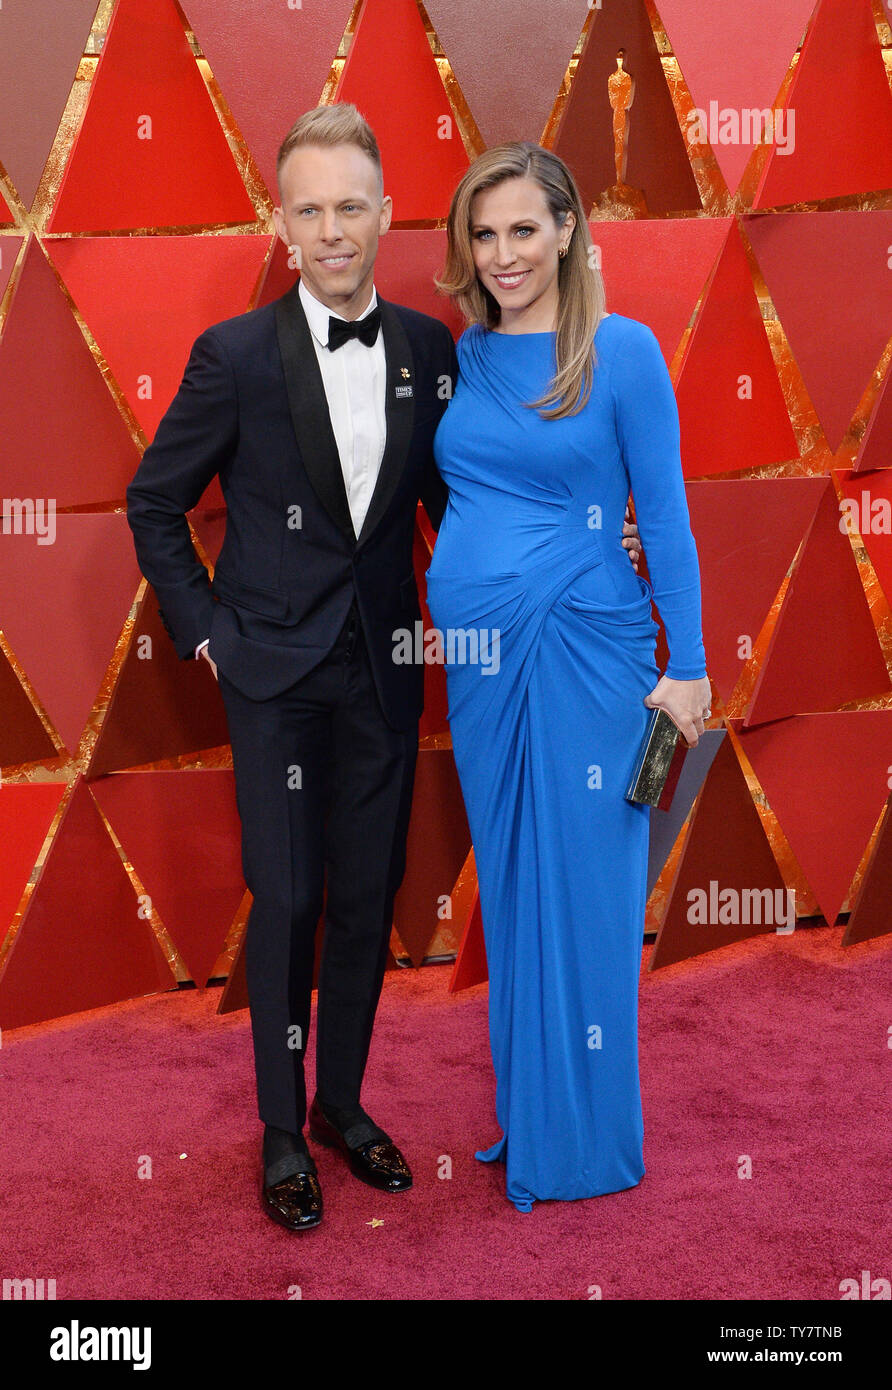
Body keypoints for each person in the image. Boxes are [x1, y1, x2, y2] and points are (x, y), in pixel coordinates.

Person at [127, 104, 643, 1232]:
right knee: (293, 895)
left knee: (364, 898)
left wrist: (574, 550)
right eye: (308, 210)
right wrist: (209, 632)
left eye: (349, 206)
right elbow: (154, 501)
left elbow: (473, 498)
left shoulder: (428, 351)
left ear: (384, 211)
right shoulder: (234, 356)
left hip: (387, 668)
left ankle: (342, 1109)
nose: (331, 230)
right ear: (282, 220)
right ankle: (279, 1129)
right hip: (269, 675)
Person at [426, 142, 710, 1212]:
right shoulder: (465, 355)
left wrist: (687, 668)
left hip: (592, 655)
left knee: (587, 893)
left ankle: (586, 1144)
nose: (503, 253)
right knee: (511, 886)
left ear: (566, 230)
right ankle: (534, 1112)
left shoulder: (625, 354)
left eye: (522, 230)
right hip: (486, 671)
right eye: (485, 234)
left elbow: (667, 521)